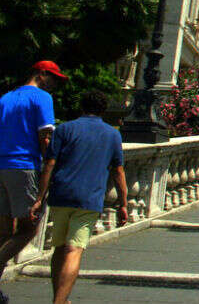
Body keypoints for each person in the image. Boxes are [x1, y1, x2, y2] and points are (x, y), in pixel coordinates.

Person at [29, 90, 127, 304]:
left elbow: (50, 164)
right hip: (89, 199)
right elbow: (118, 171)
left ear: (82, 107)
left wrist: (39, 197)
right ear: (103, 110)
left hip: (61, 194)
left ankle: (60, 298)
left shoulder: (64, 129)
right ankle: (59, 302)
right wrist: (123, 204)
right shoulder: (112, 134)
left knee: (59, 248)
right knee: (74, 250)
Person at [0, 60, 61, 290]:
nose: (54, 84)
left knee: (4, 232)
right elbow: (45, 137)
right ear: (42, 74)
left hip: (2, 165)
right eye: (53, 78)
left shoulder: (5, 98)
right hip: (24, 165)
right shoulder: (42, 98)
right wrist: (50, 166)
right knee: (29, 228)